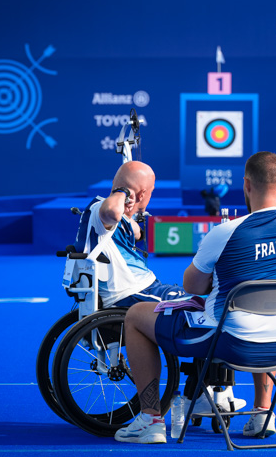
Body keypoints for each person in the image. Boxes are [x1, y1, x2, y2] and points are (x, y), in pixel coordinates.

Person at [115, 151, 276, 444]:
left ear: (246, 185)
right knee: (268, 306)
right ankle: (263, 411)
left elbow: (192, 285)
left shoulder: (226, 232)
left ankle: (150, 420)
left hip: (233, 342)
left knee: (135, 317)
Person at [72, 160, 246, 410]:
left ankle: (199, 391)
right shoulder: (103, 207)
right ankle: (200, 396)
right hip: (132, 294)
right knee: (209, 306)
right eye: (149, 193)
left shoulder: (109, 216)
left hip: (143, 289)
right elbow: (111, 211)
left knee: (201, 298)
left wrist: (131, 214)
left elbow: (132, 229)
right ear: (141, 193)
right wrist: (123, 192)